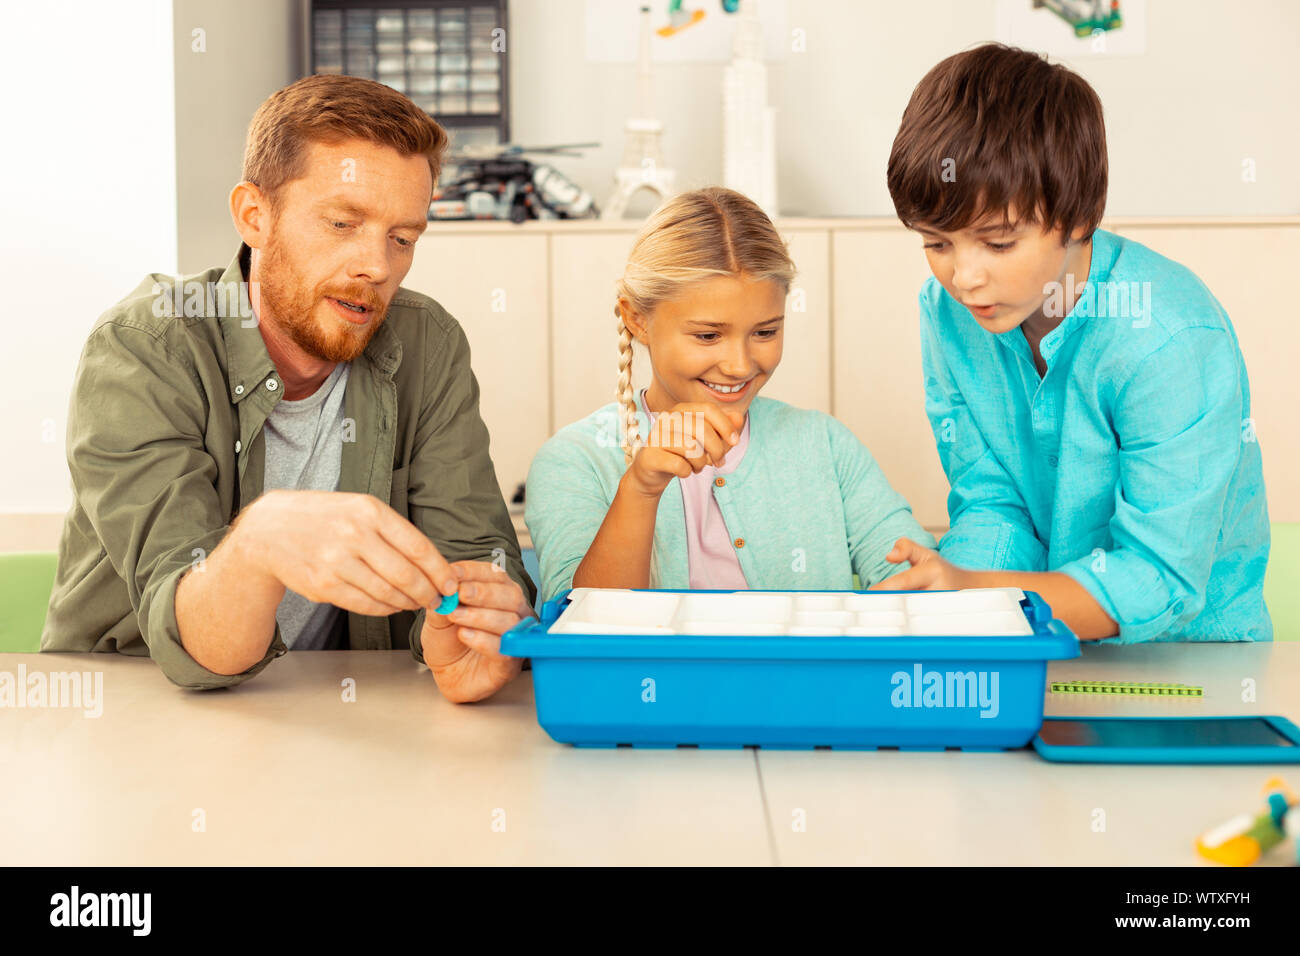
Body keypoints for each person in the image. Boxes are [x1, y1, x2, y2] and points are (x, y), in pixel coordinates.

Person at [41, 75, 537, 701]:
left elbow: (474, 557)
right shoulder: (146, 344)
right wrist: (260, 540)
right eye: (340, 223)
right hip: (135, 710)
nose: (377, 267)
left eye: (403, 238)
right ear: (255, 216)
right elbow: (190, 638)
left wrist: (471, 629)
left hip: (342, 717)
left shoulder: (428, 342)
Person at [877, 44, 1270, 642]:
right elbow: (991, 501)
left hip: (1191, 661)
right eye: (936, 244)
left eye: (999, 243)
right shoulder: (948, 314)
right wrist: (959, 598)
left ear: (1078, 217)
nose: (964, 277)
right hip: (1033, 644)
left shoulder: (1168, 340)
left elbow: (1159, 578)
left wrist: (978, 594)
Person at [525, 187, 933, 605]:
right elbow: (583, 632)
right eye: (707, 335)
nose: (739, 365)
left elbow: (919, 581)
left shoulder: (825, 445)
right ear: (637, 320)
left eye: (765, 332)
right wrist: (641, 489)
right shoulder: (573, 461)